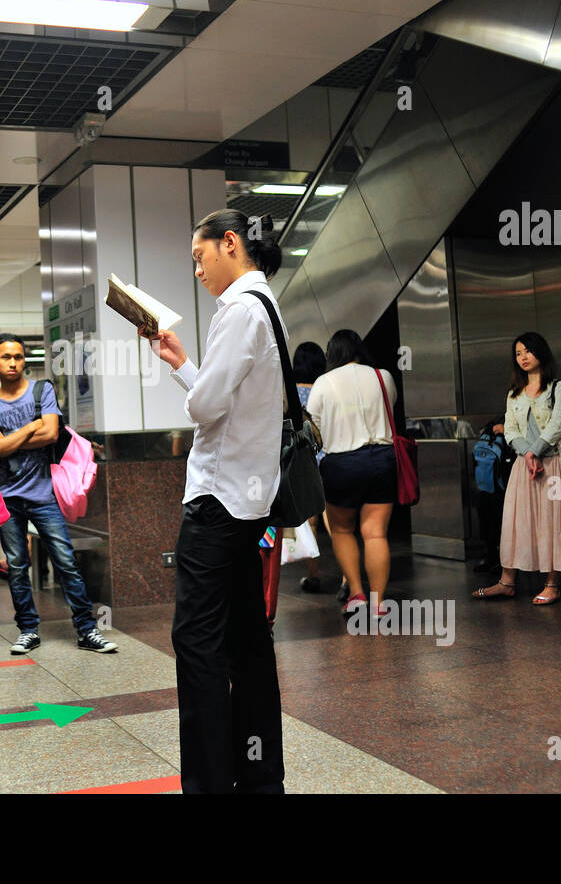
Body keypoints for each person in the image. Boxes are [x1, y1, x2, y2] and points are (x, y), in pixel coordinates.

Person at [146, 208, 285, 794]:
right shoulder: (268, 306)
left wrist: (189, 383)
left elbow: (206, 410)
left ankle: (206, 782)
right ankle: (258, 777)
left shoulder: (237, 310)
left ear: (231, 243)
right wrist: (183, 365)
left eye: (200, 257)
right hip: (250, 503)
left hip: (216, 501)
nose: (198, 269)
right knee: (248, 640)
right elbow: (225, 399)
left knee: (197, 642)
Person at [0, 334, 117, 655]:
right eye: (5, 357)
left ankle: (87, 630)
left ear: (24, 359)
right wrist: (30, 428)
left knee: (66, 562)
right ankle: (28, 630)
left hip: (44, 495)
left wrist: (9, 440)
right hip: (8, 498)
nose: (13, 363)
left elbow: (51, 433)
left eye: (18, 356)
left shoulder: (42, 391)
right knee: (16, 566)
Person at [473, 333, 561, 605]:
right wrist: (526, 453)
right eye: (518, 353)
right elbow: (510, 428)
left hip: (552, 465)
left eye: (528, 351)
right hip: (523, 466)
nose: (523, 357)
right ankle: (507, 582)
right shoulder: (514, 392)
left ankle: (552, 584)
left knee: (552, 521)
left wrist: (535, 451)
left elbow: (558, 423)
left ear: (541, 353)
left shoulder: (558, 387)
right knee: (517, 522)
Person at [306, 329, 398, 617]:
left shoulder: (323, 383)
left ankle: (356, 594)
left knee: (343, 529)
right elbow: (389, 408)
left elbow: (315, 426)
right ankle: (379, 603)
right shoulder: (383, 376)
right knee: (375, 533)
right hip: (382, 460)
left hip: (342, 464)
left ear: (331, 353)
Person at [290, 342, 330, 595]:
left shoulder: (290, 391)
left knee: (310, 521)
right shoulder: (327, 387)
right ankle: (349, 580)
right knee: (336, 523)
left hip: (306, 462)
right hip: (331, 459)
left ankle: (313, 575)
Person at [473, 415, 514, 574]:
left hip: (498, 485)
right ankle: (493, 553)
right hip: (495, 486)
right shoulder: (497, 424)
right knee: (490, 511)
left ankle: (495, 554)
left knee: (494, 512)